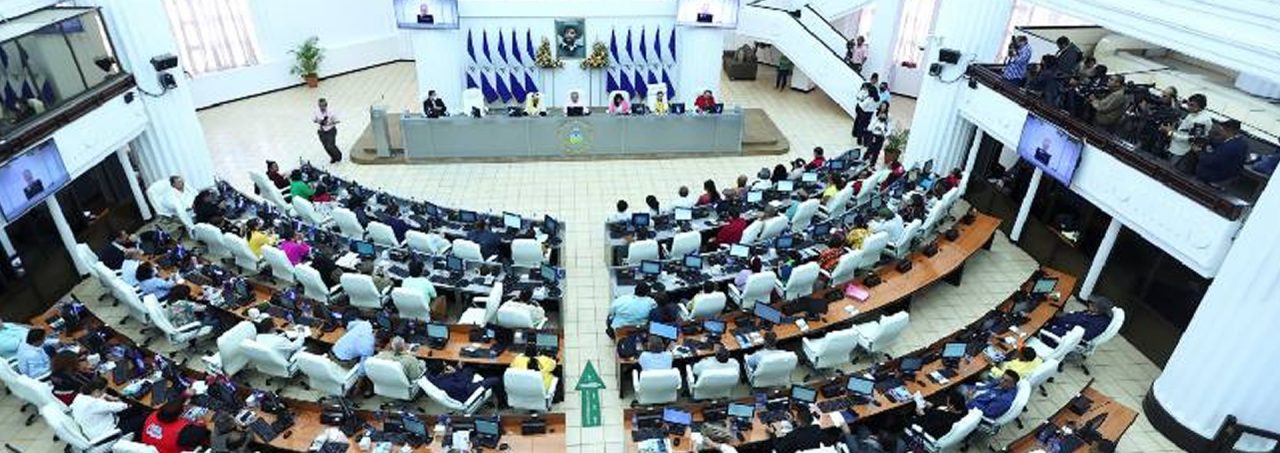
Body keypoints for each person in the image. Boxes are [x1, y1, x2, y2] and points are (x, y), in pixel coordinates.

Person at [72, 377, 148, 440]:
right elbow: (122, 406)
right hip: (110, 432)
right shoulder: (94, 403)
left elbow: (98, 397)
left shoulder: (80, 396)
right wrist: (118, 400)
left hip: (98, 425)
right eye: (104, 390)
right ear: (97, 391)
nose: (105, 392)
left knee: (136, 409)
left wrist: (106, 396)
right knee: (144, 415)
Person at [141, 398, 210, 453]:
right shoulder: (182, 432)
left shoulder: (151, 415)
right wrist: (201, 423)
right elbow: (201, 433)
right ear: (179, 415)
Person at [1194, 118, 1249, 184]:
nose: (1220, 132)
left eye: (1221, 129)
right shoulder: (1240, 141)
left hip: (1214, 177)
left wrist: (1198, 152)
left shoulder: (1230, 147)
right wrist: (1209, 140)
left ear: (1229, 130)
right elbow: (1221, 143)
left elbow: (1211, 162)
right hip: (1229, 175)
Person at [1042, 296, 1115, 345]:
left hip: (1068, 334)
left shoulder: (1100, 323)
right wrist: (1064, 315)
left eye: (1092, 304)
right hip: (1065, 323)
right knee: (1046, 316)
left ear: (1098, 309)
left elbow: (1085, 336)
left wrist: (1067, 326)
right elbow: (1078, 314)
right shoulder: (1090, 312)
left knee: (1042, 330)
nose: (1089, 304)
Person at [1164, 93, 1212, 164]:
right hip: (1175, 145)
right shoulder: (1193, 113)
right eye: (1188, 104)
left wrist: (1170, 132)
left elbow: (1192, 138)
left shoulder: (1202, 120)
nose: (1188, 107)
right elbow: (1187, 126)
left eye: (1192, 105)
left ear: (1200, 106)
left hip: (1182, 152)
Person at [426, 362, 499, 402]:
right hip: (466, 391)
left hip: (457, 385)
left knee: (470, 367)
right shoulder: (447, 384)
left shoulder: (431, 377)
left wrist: (456, 369)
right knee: (495, 379)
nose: (445, 363)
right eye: (444, 364)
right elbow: (464, 383)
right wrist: (455, 372)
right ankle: (502, 403)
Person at [314, 98, 342, 164]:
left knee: (330, 145)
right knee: (325, 146)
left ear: (326, 105)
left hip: (330, 130)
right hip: (321, 131)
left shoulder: (331, 112)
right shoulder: (316, 111)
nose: (322, 107)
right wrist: (319, 121)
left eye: (323, 105)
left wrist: (329, 123)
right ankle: (333, 157)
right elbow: (314, 119)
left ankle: (338, 156)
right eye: (320, 105)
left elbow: (337, 121)